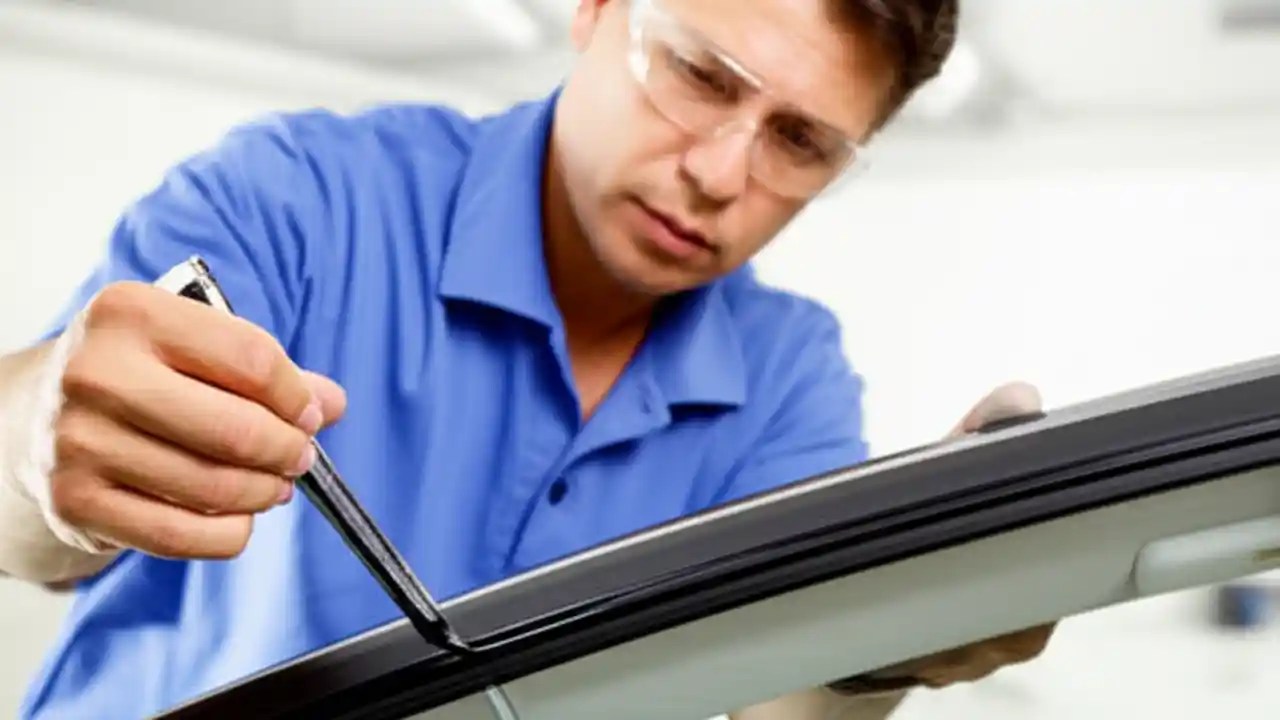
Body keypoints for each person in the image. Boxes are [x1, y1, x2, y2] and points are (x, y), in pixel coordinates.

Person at [0, 0, 1055, 717]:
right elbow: (39, 534)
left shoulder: (790, 372)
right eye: (697, 74)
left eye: (798, 143)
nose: (718, 174)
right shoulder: (298, 198)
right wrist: (38, 443)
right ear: (595, 8)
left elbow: (771, 693)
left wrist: (892, 638)